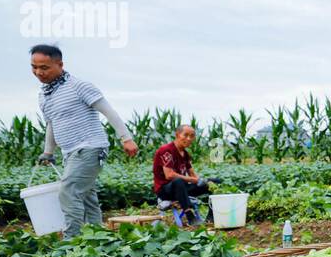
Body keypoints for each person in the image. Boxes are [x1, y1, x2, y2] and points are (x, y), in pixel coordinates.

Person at [32, 44, 138, 237]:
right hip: (69, 153)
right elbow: (51, 124)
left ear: (60, 64)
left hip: (89, 147)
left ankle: (72, 241)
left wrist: (126, 138)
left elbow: (108, 111)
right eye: (34, 67)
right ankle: (98, 238)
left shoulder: (78, 86)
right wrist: (48, 152)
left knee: (68, 191)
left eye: (44, 67)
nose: (38, 72)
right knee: (87, 197)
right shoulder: (44, 95)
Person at [153, 124, 210, 216]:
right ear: (177, 135)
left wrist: (202, 181)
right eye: (185, 135)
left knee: (212, 182)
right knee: (178, 181)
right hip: (165, 191)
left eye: (192, 136)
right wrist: (193, 180)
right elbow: (169, 175)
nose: (189, 139)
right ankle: (189, 214)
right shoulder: (166, 150)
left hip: (182, 189)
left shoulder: (185, 154)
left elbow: (192, 174)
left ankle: (211, 216)